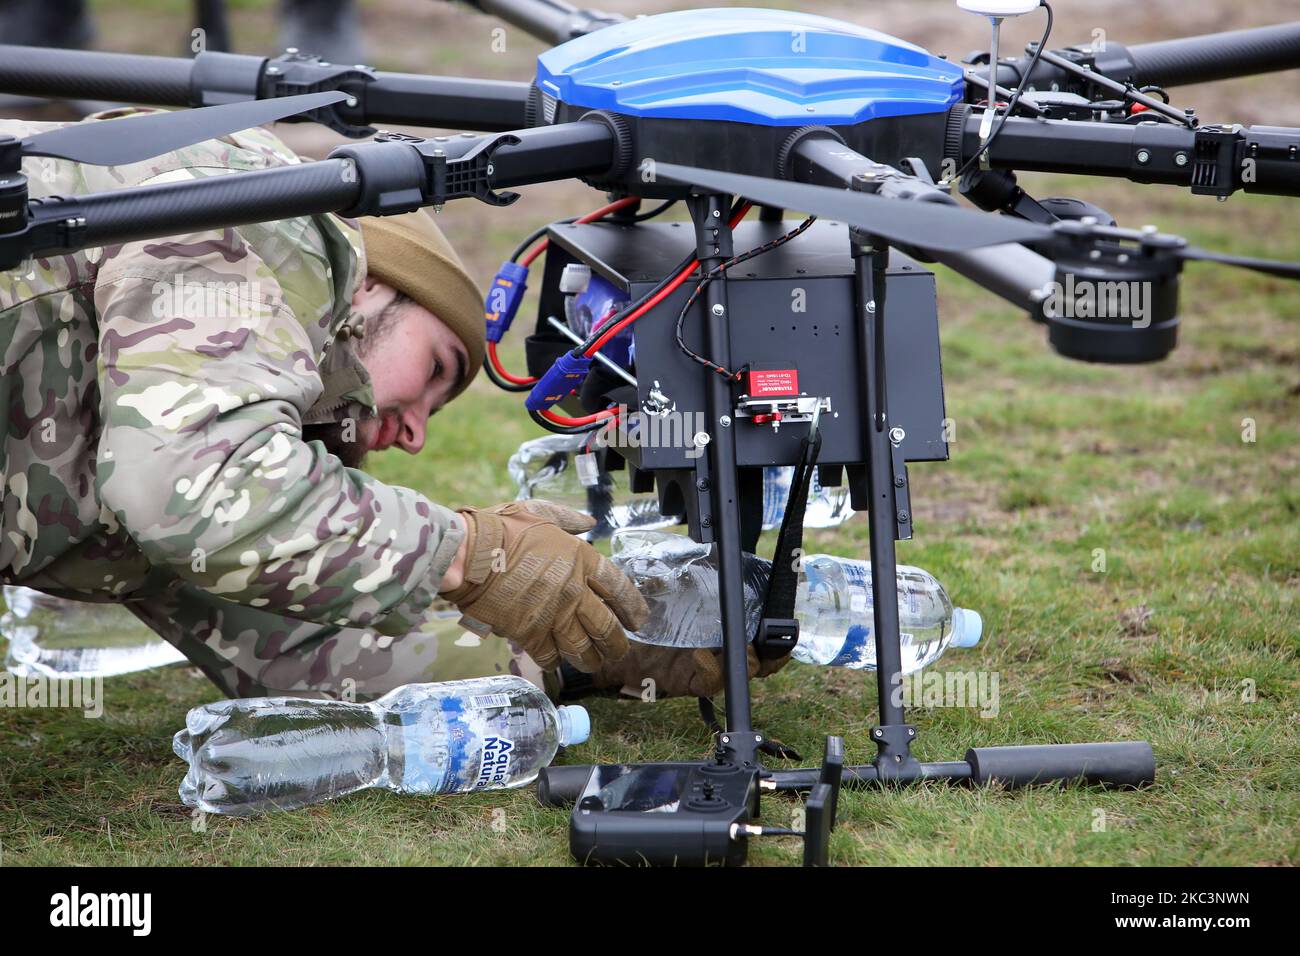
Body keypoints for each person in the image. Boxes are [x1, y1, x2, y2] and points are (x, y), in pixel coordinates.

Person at [2, 107, 787, 708]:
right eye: (437, 369)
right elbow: (196, 493)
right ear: (374, 284)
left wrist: (611, 650)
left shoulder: (205, 435)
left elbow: (304, 651)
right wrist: (470, 551)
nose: (412, 435)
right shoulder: (276, 235)